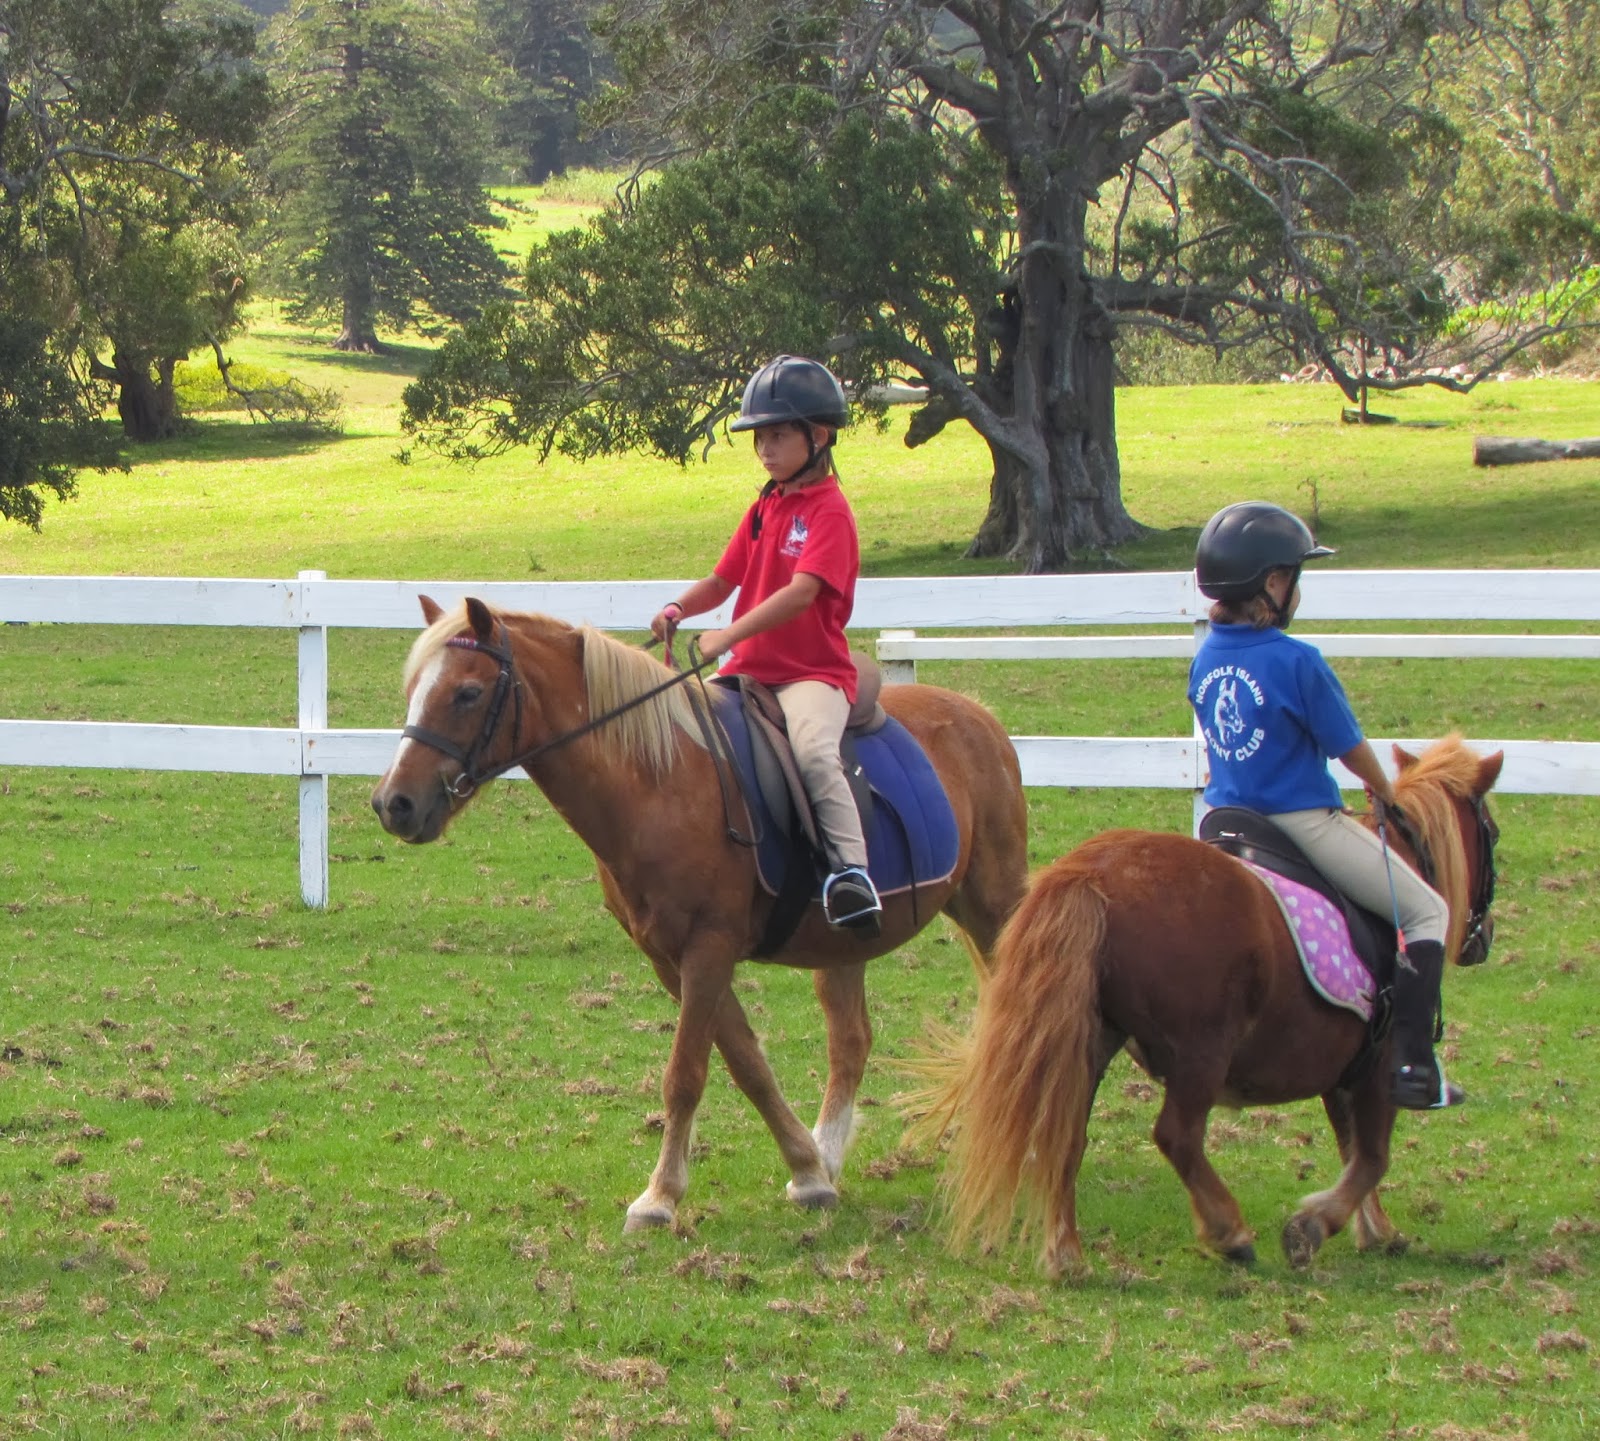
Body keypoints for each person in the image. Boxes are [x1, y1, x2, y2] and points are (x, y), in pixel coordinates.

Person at [1188, 501, 1462, 1110]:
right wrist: (1386, 791)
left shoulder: (1205, 657)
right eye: (1295, 578)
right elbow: (1350, 750)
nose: (1298, 590)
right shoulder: (1296, 661)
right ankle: (1416, 1066)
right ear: (1274, 583)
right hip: (1300, 824)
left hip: (1224, 819)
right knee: (1425, 912)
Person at [650, 355, 883, 934]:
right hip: (747, 672)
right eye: (759, 438)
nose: (765, 449)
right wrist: (681, 606)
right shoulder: (765, 506)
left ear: (818, 435)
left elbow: (803, 594)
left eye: (777, 435)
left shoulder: (831, 512)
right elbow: (723, 580)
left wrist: (726, 635)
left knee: (812, 752)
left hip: (811, 673)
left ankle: (852, 873)